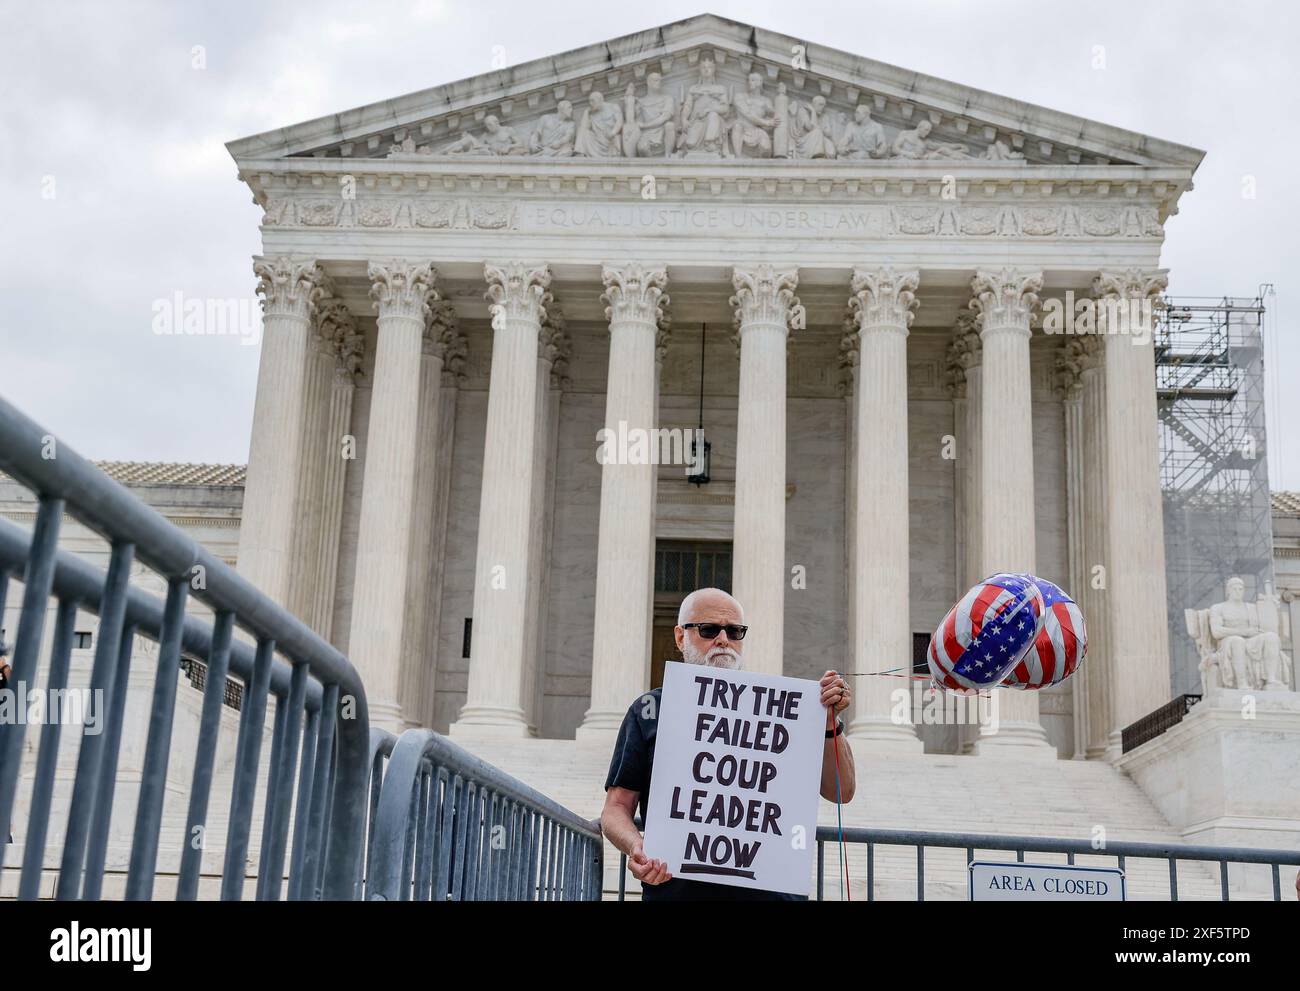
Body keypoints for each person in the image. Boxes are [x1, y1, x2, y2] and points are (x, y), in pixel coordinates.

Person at [600, 586, 856, 900]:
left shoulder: (785, 712)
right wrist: (636, 847)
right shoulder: (648, 711)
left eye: (735, 631)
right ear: (681, 637)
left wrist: (831, 724)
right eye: (708, 629)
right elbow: (615, 809)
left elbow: (841, 791)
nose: (723, 639)